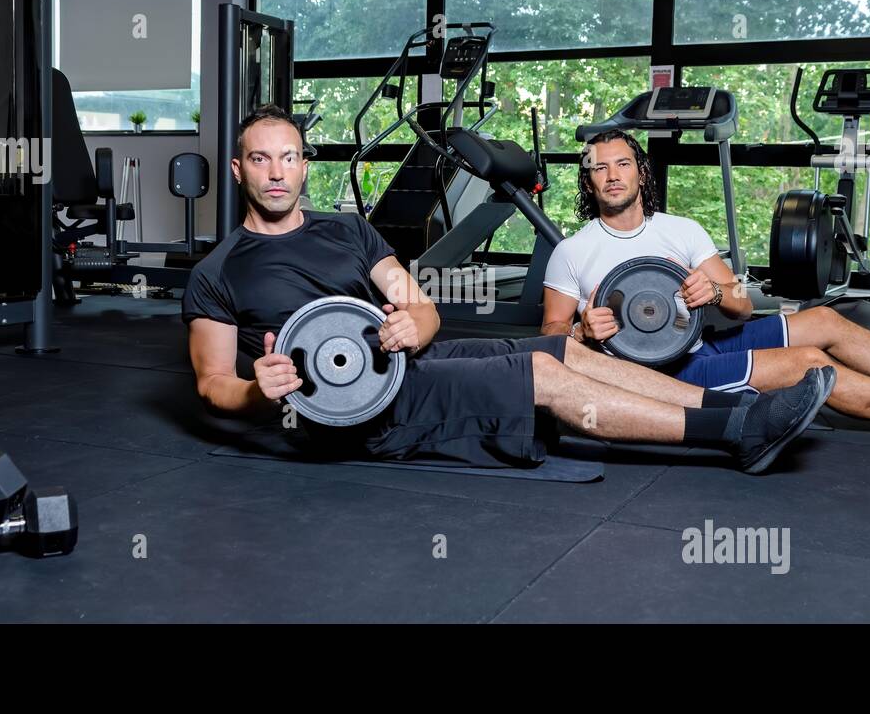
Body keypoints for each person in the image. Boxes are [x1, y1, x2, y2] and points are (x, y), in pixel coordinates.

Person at [183, 105, 834, 474]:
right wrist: (253, 388)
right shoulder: (218, 270)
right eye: (261, 159)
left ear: (304, 163)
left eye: (289, 156)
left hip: (410, 365)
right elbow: (213, 383)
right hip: (351, 413)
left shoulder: (349, 232)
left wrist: (417, 326)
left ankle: (728, 407)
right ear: (238, 167)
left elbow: (420, 304)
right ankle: (739, 429)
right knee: (538, 378)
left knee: (562, 353)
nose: (277, 172)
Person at [541, 129, 870, 435]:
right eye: (599, 168)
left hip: (706, 341)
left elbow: (740, 305)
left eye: (622, 164)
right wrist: (584, 332)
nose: (612, 175)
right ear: (588, 180)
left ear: (640, 174)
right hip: (661, 376)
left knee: (823, 320)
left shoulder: (681, 230)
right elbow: (551, 339)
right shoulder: (573, 251)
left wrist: (715, 292)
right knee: (808, 362)